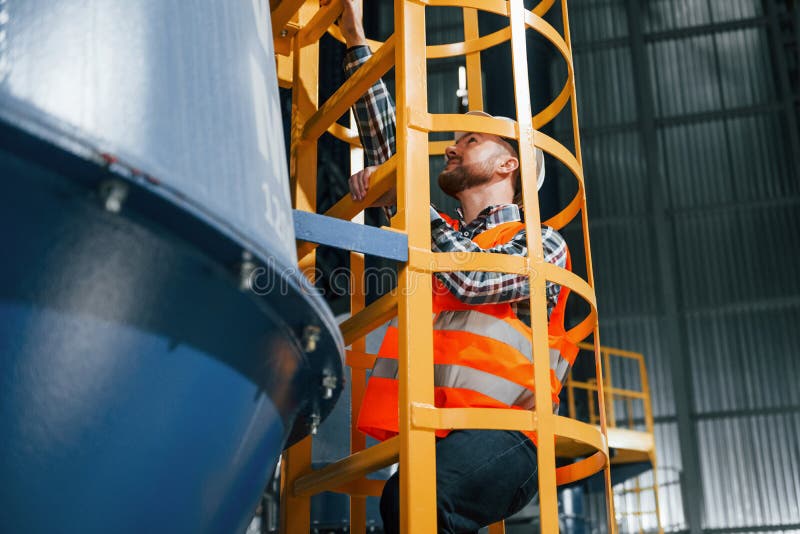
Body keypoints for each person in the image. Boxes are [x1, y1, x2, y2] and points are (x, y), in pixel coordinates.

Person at [322, 1, 572, 532]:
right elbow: (392, 144)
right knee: (401, 504)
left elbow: (471, 277)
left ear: (510, 164)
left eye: (470, 140)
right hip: (446, 429)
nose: (451, 150)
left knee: (424, 499)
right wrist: (355, 36)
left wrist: (403, 194)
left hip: (511, 436)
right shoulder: (445, 234)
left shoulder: (540, 242)